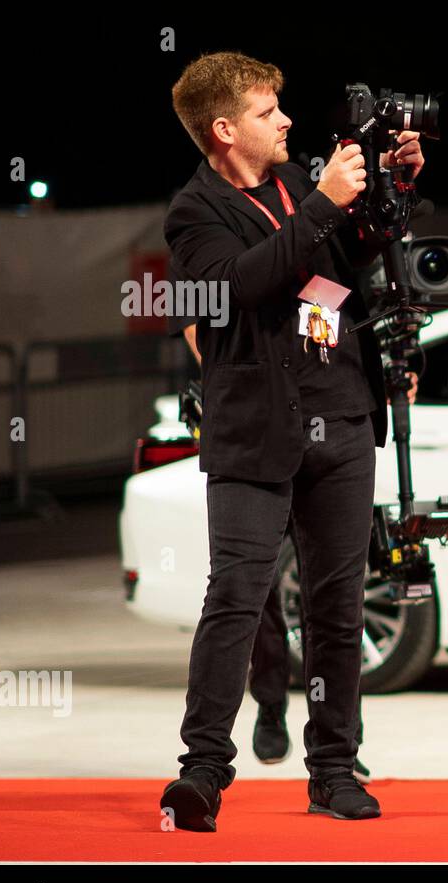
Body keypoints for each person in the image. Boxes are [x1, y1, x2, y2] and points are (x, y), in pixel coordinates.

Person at [158, 51, 424, 832]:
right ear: (224, 128)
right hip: (252, 431)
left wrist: (390, 187)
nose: (287, 121)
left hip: (341, 416)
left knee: (337, 608)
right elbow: (238, 288)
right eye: (270, 112)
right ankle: (203, 772)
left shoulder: (298, 185)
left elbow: (351, 261)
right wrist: (321, 207)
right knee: (234, 600)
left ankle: (334, 769)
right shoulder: (194, 212)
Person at [174, 313, 417, 785]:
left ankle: (340, 752)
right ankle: (268, 704)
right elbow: (197, 328)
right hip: (256, 429)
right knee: (251, 589)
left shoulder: (338, 245)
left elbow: (356, 314)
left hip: (332, 426)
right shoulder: (215, 248)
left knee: (335, 597)